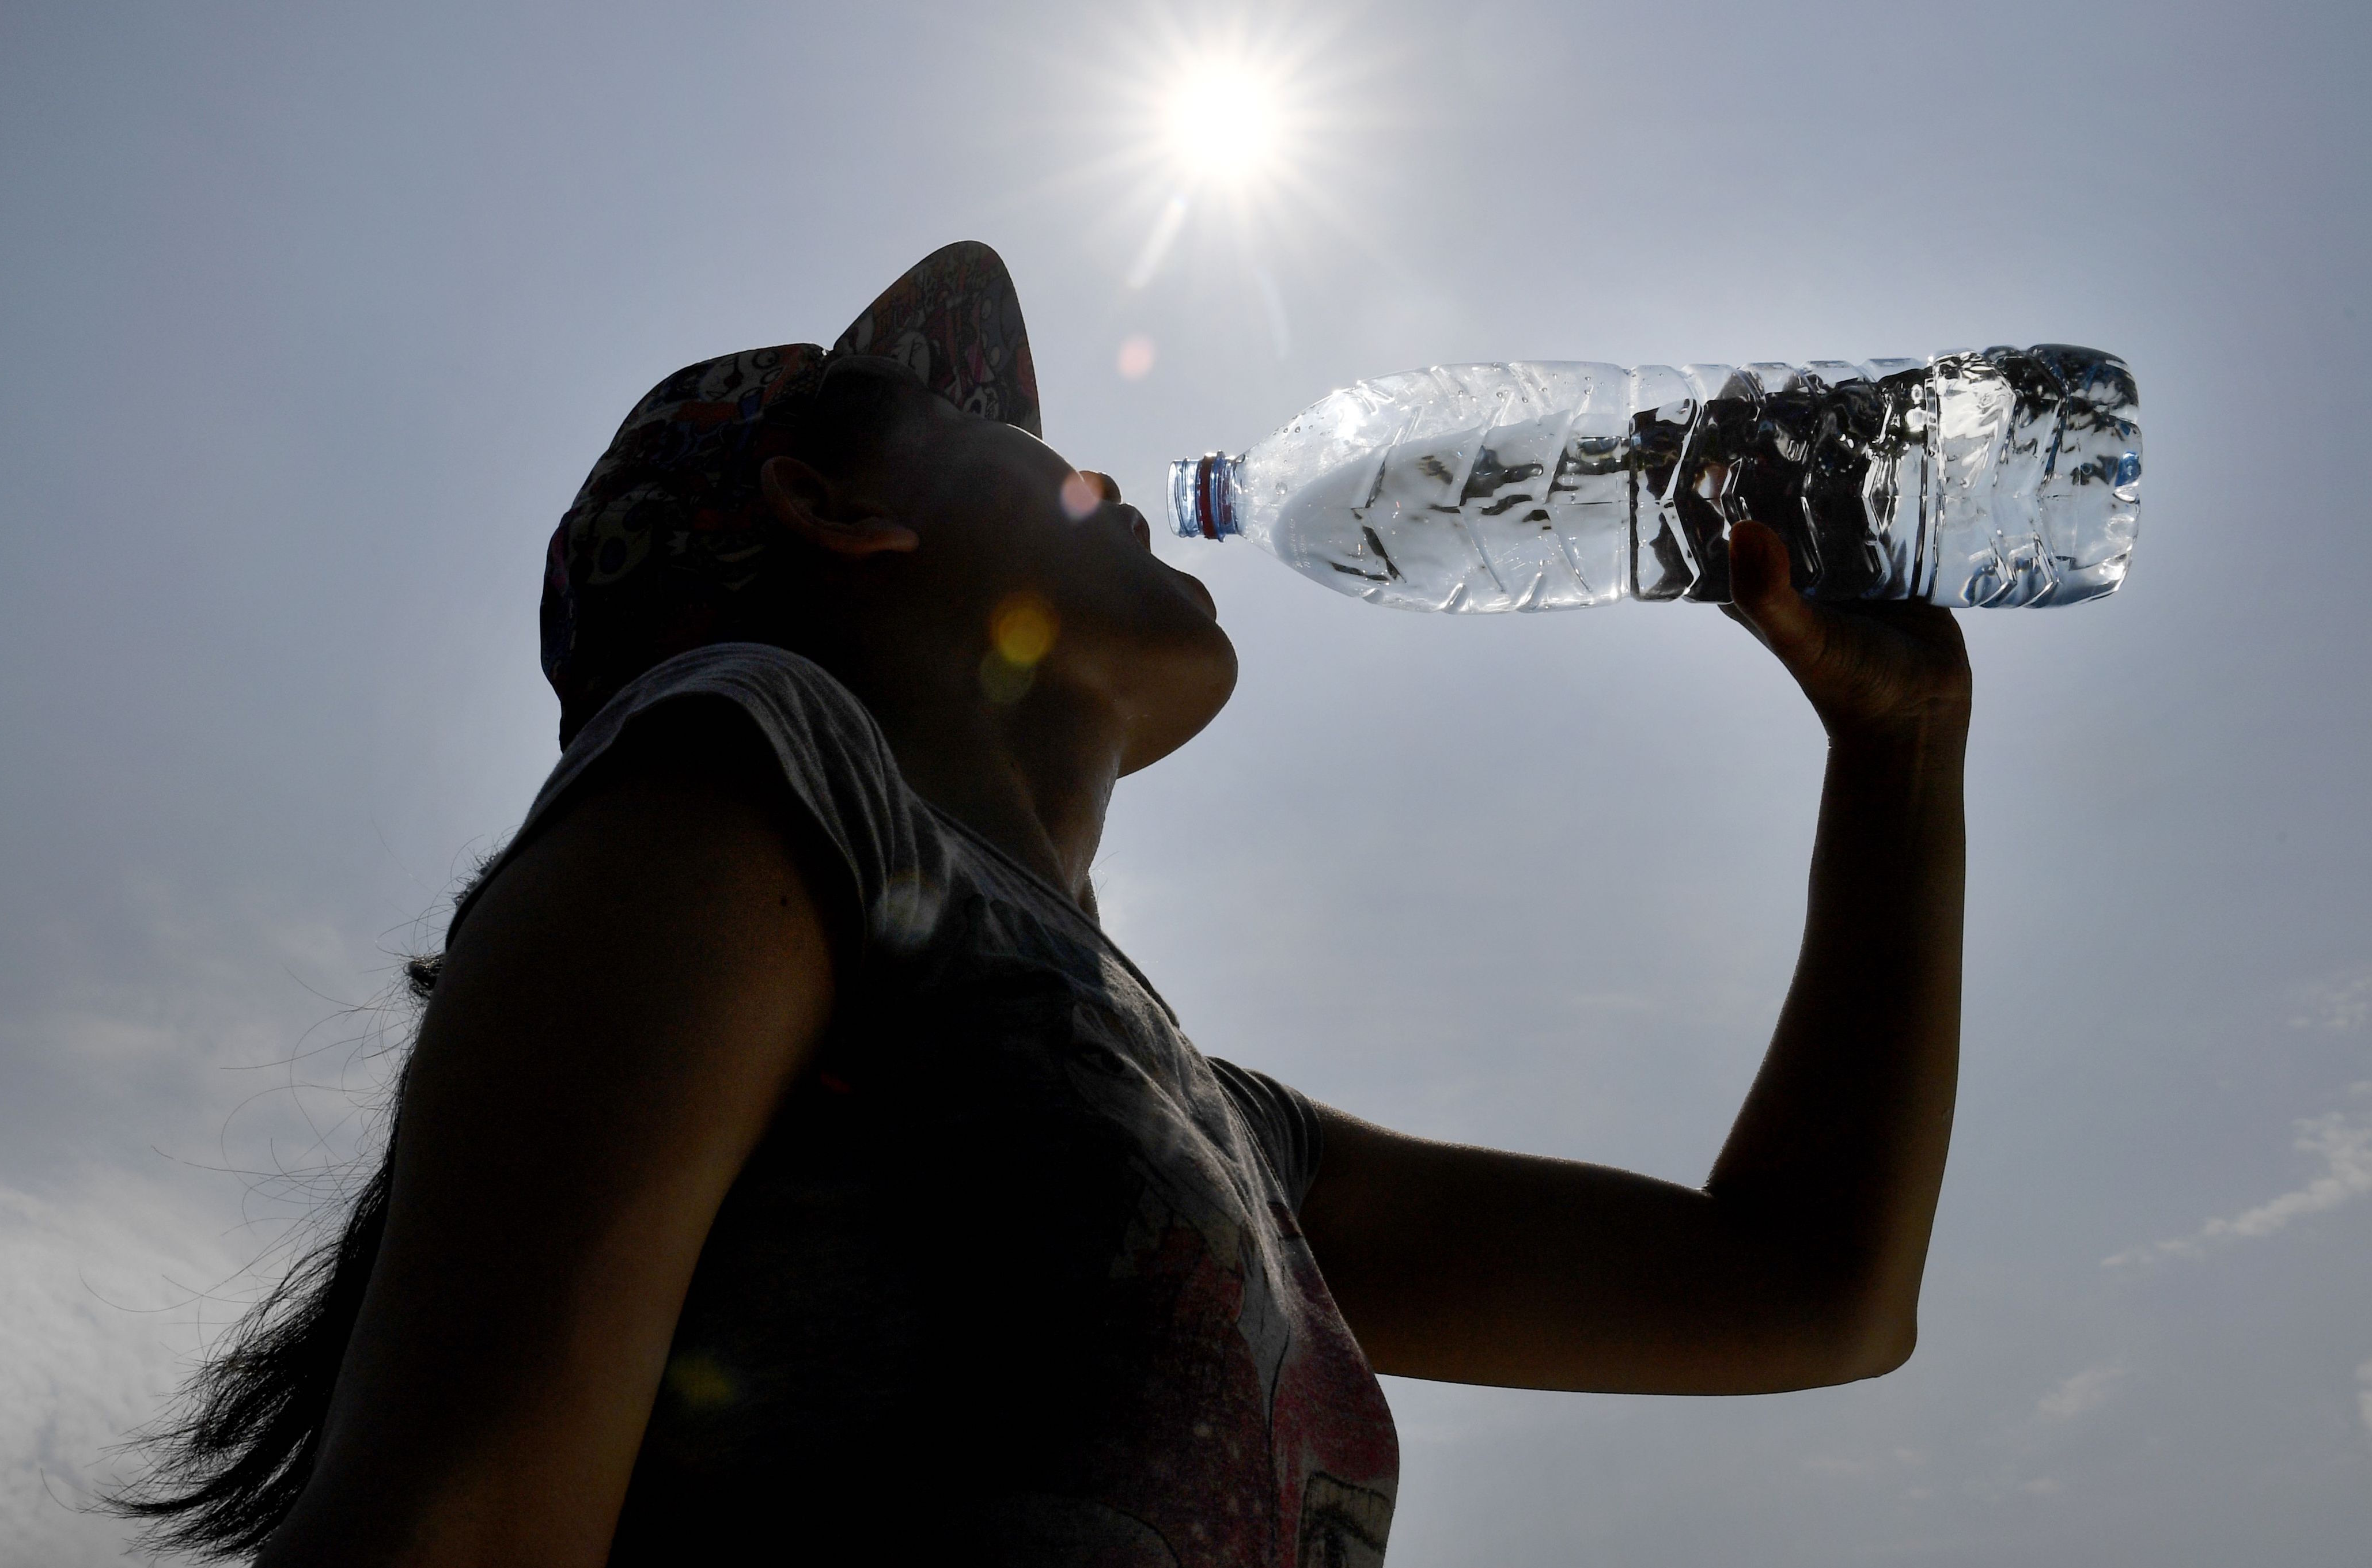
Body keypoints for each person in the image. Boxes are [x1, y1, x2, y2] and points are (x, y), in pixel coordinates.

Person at [116, 243, 1969, 1567]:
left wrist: (1899, 751)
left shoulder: (1208, 1118)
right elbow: (451, 1528)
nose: (1114, 487)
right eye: (1034, 447)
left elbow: (1810, 1290)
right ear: (839, 510)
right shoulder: (745, 782)